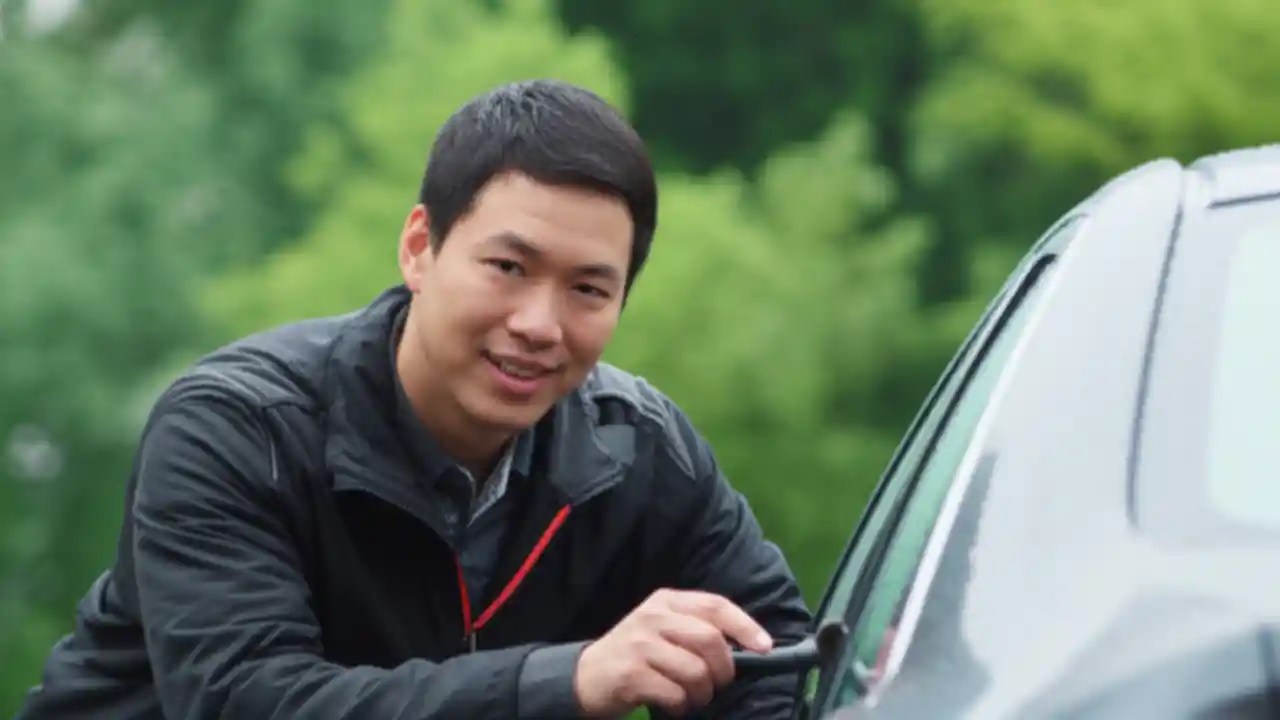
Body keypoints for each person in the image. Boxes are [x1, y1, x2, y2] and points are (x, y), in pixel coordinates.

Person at [18, 79, 812, 719]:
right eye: (508, 267)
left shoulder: (640, 449)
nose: (539, 324)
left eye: (588, 289)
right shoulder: (236, 428)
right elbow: (246, 700)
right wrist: (568, 681)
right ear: (419, 249)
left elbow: (777, 656)